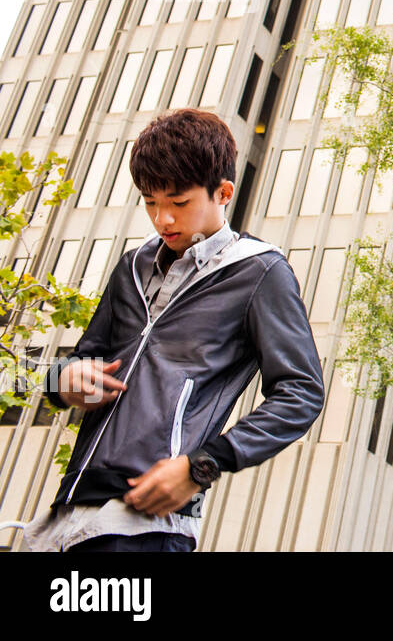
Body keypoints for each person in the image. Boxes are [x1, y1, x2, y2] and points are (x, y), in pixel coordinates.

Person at [22, 109, 325, 552]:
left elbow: (302, 393)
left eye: (178, 203)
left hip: (149, 525)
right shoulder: (132, 267)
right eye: (150, 201)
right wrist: (62, 381)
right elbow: (84, 359)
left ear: (223, 193)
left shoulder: (260, 273)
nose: (162, 219)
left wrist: (202, 466)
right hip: (68, 511)